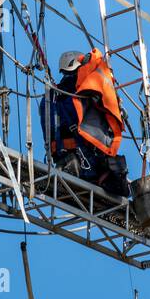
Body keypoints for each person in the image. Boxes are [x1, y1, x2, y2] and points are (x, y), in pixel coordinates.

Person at [41, 48, 129, 196]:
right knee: (117, 179)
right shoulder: (82, 90)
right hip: (85, 157)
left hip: (66, 158)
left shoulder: (50, 96)